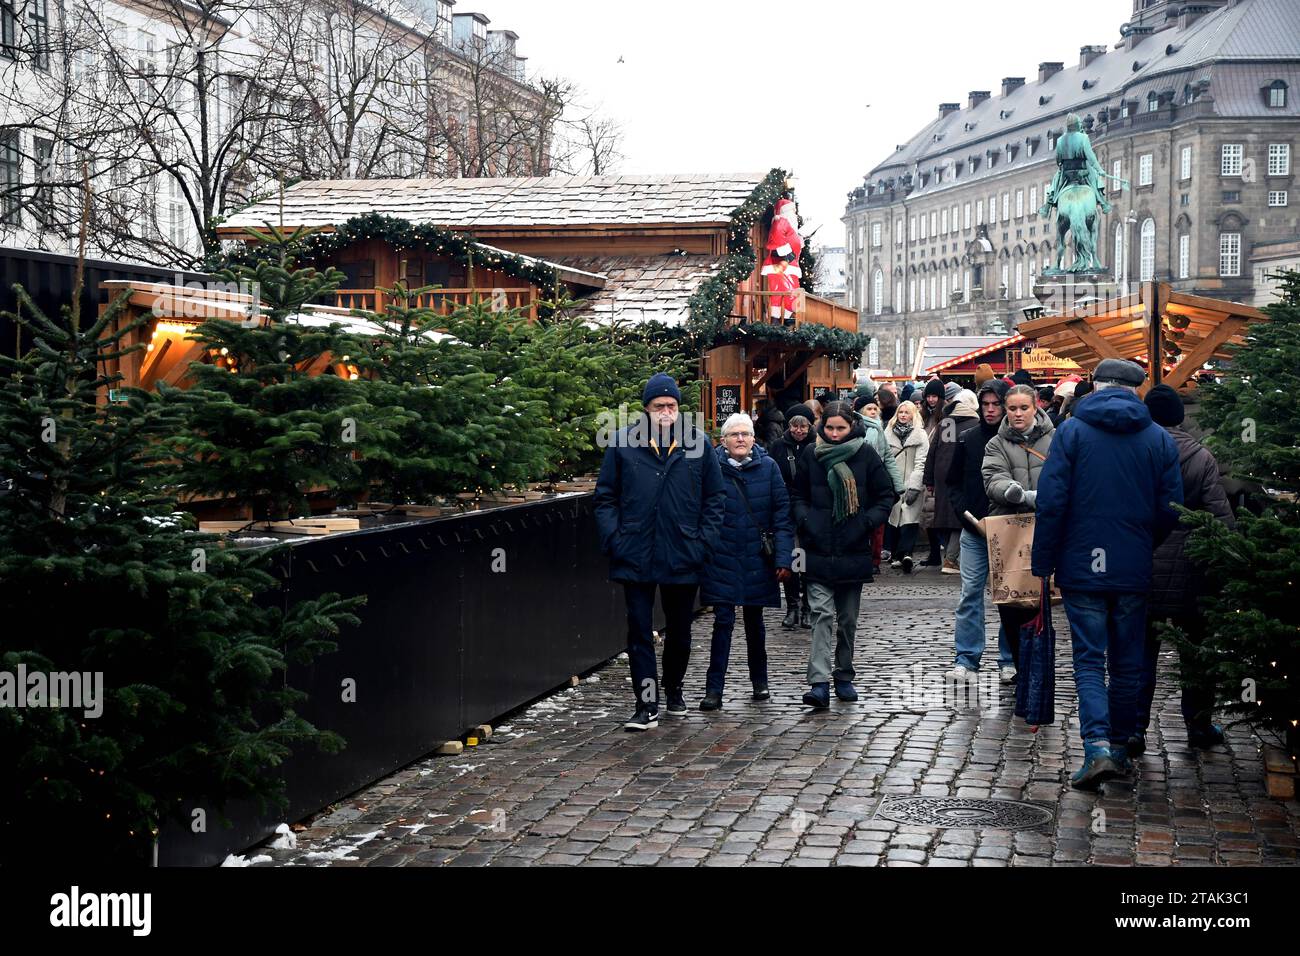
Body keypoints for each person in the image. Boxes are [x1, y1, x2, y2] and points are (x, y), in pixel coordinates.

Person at [1031, 359, 1183, 789]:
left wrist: (1044, 560)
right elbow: (1171, 506)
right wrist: (1141, 543)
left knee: (1089, 660)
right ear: (1136, 389)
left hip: (1083, 564)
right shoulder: (1157, 438)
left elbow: (1052, 501)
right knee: (1128, 661)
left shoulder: (1072, 432)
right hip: (1132, 563)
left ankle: (1097, 747)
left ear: (1096, 385)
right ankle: (1118, 746)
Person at [595, 372, 727, 732]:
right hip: (635, 550)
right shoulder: (623, 445)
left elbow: (715, 498)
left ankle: (674, 688)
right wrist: (616, 539)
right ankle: (646, 703)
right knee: (639, 631)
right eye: (658, 406)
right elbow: (605, 497)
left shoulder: (696, 445)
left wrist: (702, 542)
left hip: (682, 551)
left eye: (671, 405)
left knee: (680, 631)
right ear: (647, 409)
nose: (666, 411)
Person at [1136, 384, 1235, 754]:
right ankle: (1198, 725)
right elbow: (1219, 517)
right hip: (1194, 569)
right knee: (1196, 653)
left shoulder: (1137, 452)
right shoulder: (1201, 456)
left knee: (1141, 654)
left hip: (1144, 564)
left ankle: (1134, 729)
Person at [791, 402, 896, 708]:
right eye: (829, 428)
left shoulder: (865, 454)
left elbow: (885, 495)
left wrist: (865, 523)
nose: (834, 434)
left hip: (852, 548)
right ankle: (819, 682)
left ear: (852, 427)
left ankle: (844, 675)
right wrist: (807, 521)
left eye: (841, 428)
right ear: (821, 427)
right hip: (818, 548)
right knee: (821, 615)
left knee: (847, 619)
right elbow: (797, 495)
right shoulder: (811, 454)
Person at [698, 413, 795, 710]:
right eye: (734, 434)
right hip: (722, 556)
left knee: (755, 622)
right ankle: (713, 689)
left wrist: (783, 558)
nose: (741, 439)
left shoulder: (769, 468)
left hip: (757, 556)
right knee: (723, 622)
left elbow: (782, 515)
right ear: (723, 440)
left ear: (754, 438)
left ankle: (760, 682)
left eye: (746, 434)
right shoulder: (711, 467)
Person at [981, 384, 1056, 683]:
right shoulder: (996, 444)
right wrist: (1012, 492)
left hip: (1047, 528)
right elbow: (992, 477)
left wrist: (1046, 496)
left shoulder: (1057, 438)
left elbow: (1065, 475)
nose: (1017, 414)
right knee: (1011, 604)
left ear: (1035, 407)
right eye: (1012, 409)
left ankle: (1041, 667)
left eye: (1023, 408)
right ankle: (1022, 668)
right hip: (1010, 529)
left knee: (1044, 601)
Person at [946, 379, 1015, 678]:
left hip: (1009, 529)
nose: (989, 410)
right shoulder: (968, 439)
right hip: (974, 528)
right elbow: (953, 481)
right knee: (970, 594)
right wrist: (965, 515)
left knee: (1009, 596)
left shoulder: (1015, 440)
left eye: (995, 404)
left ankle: (1009, 659)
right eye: (985, 404)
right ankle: (966, 658)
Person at [769, 404, 816, 629]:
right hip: (786, 510)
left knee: (807, 561)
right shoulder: (778, 447)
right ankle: (792, 607)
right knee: (791, 560)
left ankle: (808, 607)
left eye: (803, 426)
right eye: (794, 426)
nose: (798, 430)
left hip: (810, 510)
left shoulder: (817, 445)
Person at [925, 388, 979, 574]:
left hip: (941, 476)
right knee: (959, 517)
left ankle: (950, 556)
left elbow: (933, 452)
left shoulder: (945, 423)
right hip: (963, 476)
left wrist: (929, 479)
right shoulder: (975, 423)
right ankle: (950, 559)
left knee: (945, 516)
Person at [885, 400, 930, 574]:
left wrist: (915, 485)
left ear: (913, 414)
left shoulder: (920, 435)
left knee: (909, 518)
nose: (903, 415)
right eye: (901, 412)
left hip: (912, 481)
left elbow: (921, 462)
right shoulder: (887, 433)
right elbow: (885, 459)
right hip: (894, 482)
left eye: (907, 412)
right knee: (895, 518)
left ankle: (907, 554)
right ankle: (897, 555)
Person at [919, 379, 948, 567]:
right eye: (928, 396)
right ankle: (934, 552)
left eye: (934, 396)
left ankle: (941, 553)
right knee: (928, 514)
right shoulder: (923, 416)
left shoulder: (946, 417)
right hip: (925, 467)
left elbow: (947, 444)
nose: (931, 400)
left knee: (937, 513)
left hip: (939, 469)